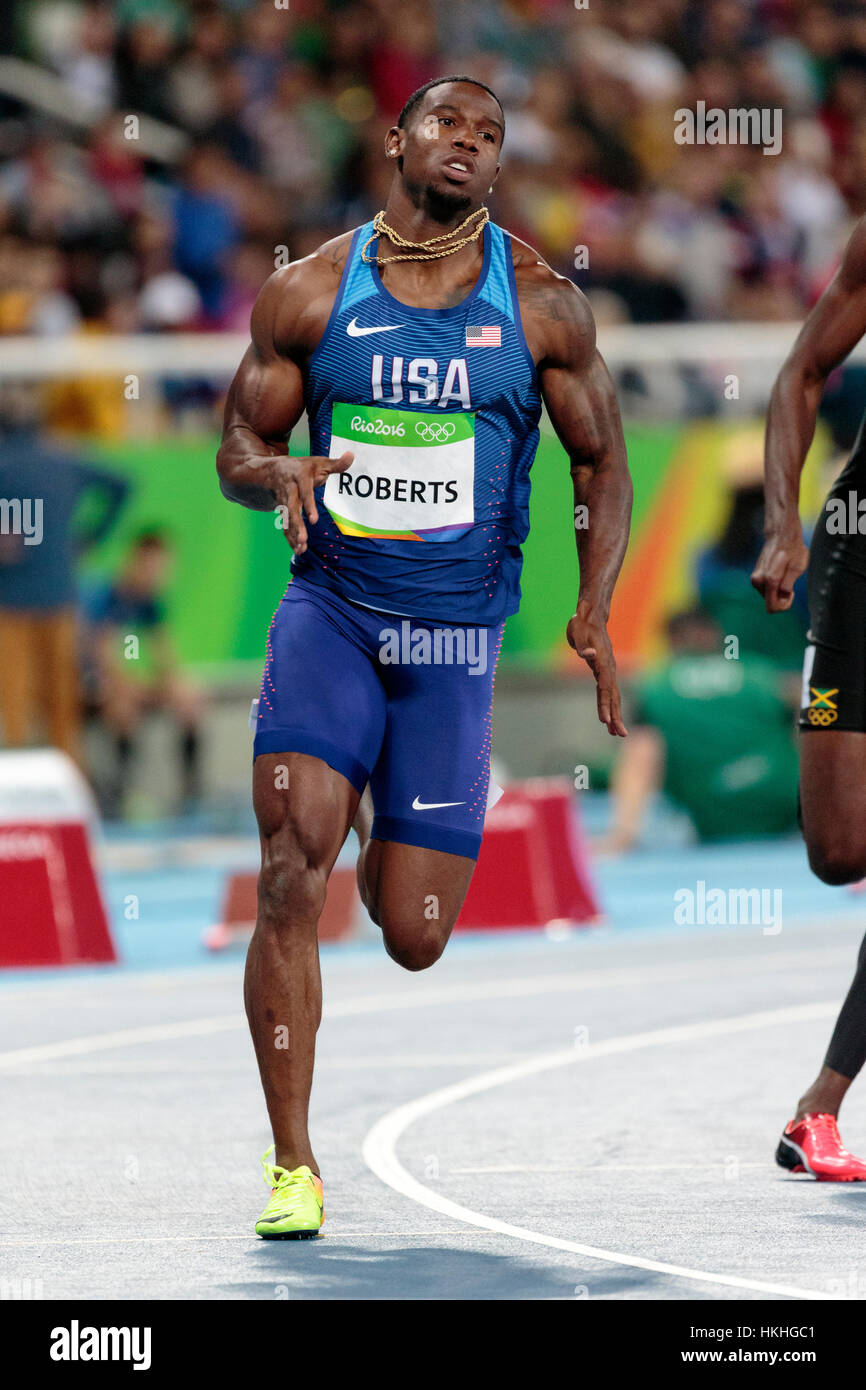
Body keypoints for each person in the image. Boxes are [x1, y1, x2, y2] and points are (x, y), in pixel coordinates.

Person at [217, 75, 632, 1238]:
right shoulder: (310, 290)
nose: (467, 141)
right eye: (446, 122)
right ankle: (293, 1164)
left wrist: (592, 605)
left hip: (451, 642)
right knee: (289, 867)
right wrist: (274, 471)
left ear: (497, 165)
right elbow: (239, 442)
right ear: (396, 139)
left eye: (488, 133)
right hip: (333, 615)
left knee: (414, 935)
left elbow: (600, 460)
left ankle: (373, 802)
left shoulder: (542, 305)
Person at [753, 213, 866, 1181]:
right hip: (858, 568)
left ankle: (817, 1109)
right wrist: (781, 522)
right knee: (838, 853)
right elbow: (801, 370)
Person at [0, 383, 128, 764]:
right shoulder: (62, 460)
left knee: (14, 705)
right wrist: (91, 537)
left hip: (11, 606)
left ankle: (16, 785)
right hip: (57, 599)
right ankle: (68, 779)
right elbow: (123, 484)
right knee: (61, 705)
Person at [600, 608, 799, 853]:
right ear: (715, 635)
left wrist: (623, 833)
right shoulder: (763, 674)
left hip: (713, 811)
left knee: (642, 743)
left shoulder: (655, 686)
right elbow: (809, 705)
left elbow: (643, 750)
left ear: (671, 642)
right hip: (786, 806)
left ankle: (622, 836)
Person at [81, 529, 204, 818]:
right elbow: (104, 659)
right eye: (150, 567)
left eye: (161, 569)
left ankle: (191, 792)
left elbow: (165, 657)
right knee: (122, 703)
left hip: (132, 684)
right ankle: (123, 793)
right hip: (90, 685)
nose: (155, 575)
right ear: (134, 561)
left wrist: (174, 682)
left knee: (189, 697)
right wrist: (132, 685)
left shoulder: (152, 603)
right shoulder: (106, 597)